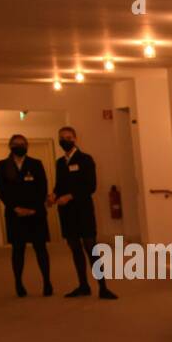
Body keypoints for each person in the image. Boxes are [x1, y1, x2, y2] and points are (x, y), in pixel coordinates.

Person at [50, 126, 116, 299]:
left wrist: (70, 196)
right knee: (75, 249)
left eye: (68, 137)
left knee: (91, 248)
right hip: (66, 212)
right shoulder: (59, 162)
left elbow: (90, 186)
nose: (65, 140)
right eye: (62, 137)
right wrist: (54, 195)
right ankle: (83, 285)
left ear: (75, 139)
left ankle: (103, 287)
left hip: (83, 210)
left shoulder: (86, 159)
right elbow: (59, 185)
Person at [0, 135, 54, 297]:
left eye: (22, 144)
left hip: (36, 213)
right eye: (16, 144)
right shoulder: (2, 165)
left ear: (27, 146)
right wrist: (16, 208)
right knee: (18, 250)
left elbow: (42, 187)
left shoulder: (36, 164)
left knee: (40, 248)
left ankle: (47, 282)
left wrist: (33, 208)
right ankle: (18, 283)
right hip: (15, 214)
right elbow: (1, 190)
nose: (19, 146)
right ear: (10, 146)